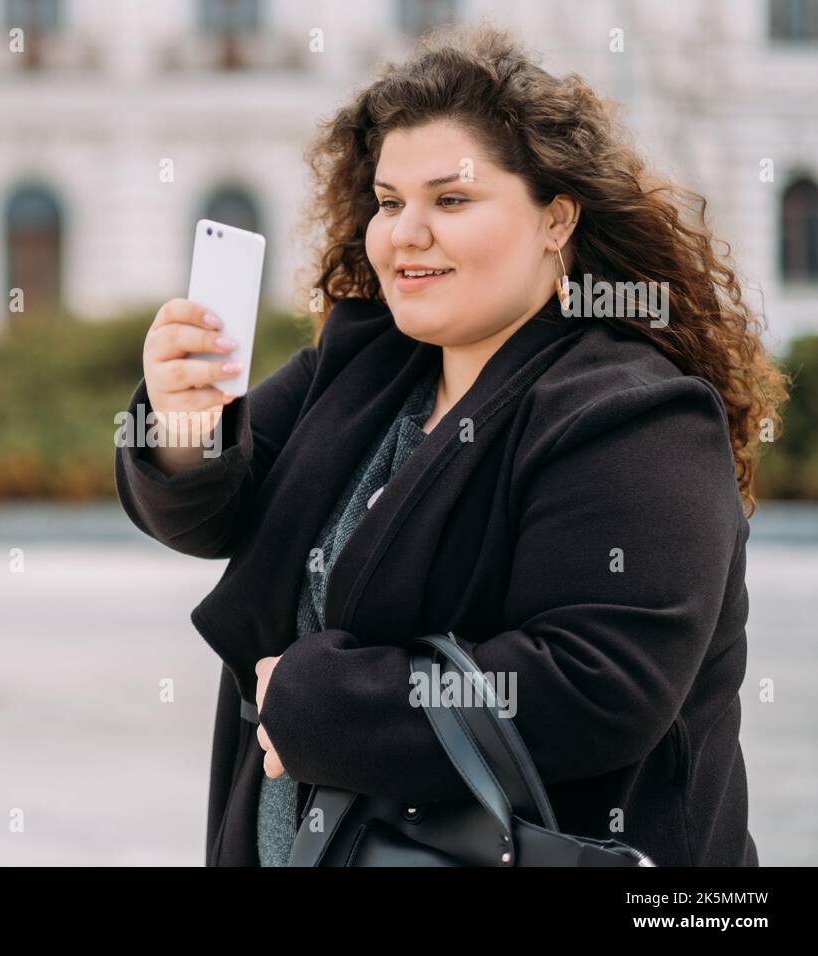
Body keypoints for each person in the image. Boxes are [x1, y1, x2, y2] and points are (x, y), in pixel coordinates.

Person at [114, 23, 788, 867]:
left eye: (452, 199)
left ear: (556, 219)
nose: (406, 232)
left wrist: (314, 703)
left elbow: (596, 685)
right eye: (390, 201)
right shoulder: (364, 363)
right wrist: (184, 424)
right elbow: (212, 513)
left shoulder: (634, 414)